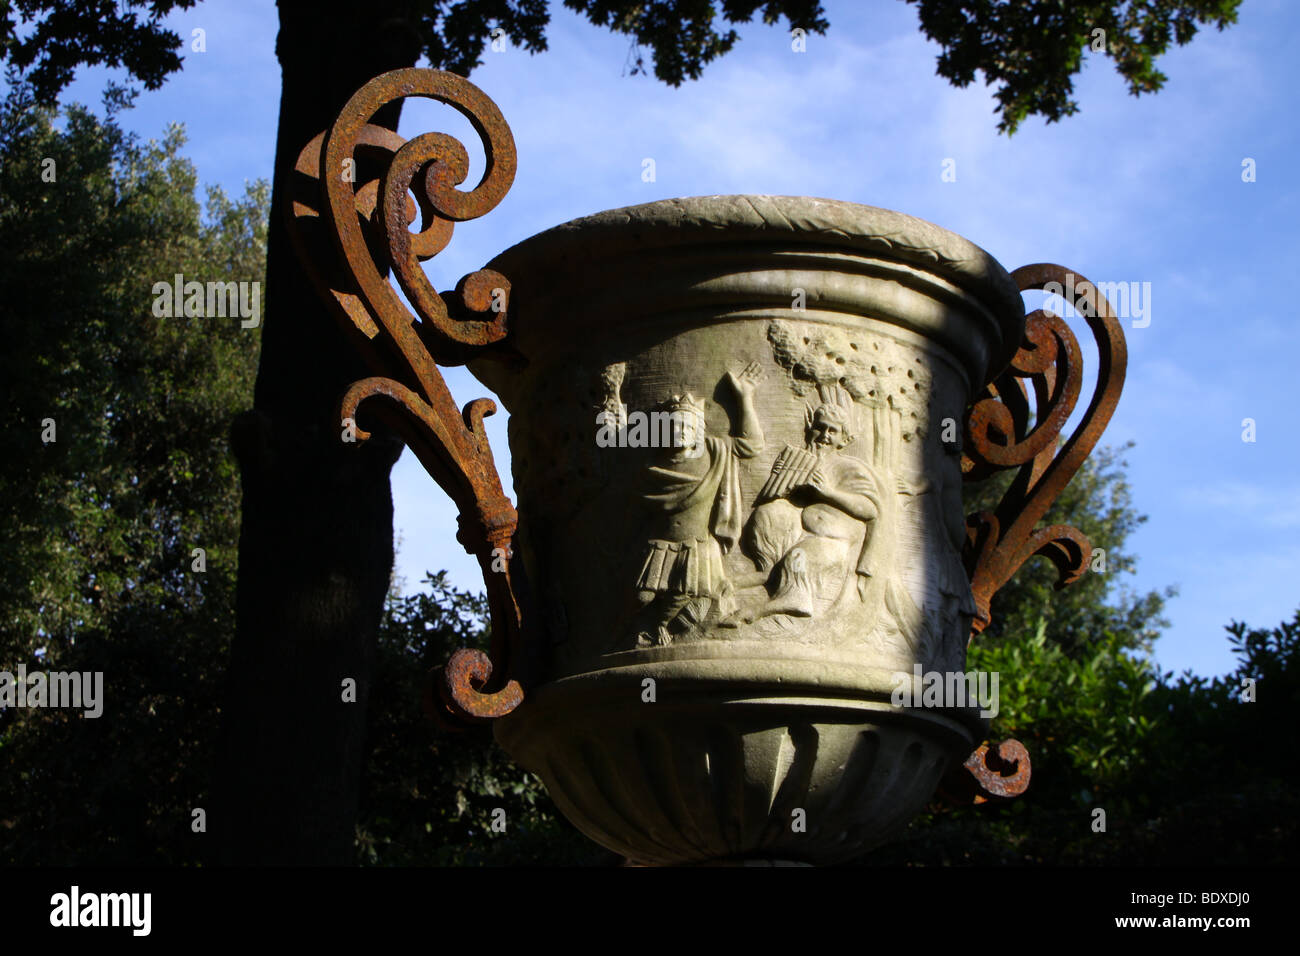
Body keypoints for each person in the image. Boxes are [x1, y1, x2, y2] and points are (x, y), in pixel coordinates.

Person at [635, 362, 764, 645]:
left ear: (699, 429)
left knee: (692, 594)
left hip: (698, 544)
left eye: (688, 425)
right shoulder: (650, 468)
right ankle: (639, 629)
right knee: (642, 597)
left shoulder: (716, 451)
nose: (681, 431)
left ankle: (662, 628)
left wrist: (745, 398)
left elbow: (752, 445)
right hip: (662, 544)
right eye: (674, 425)